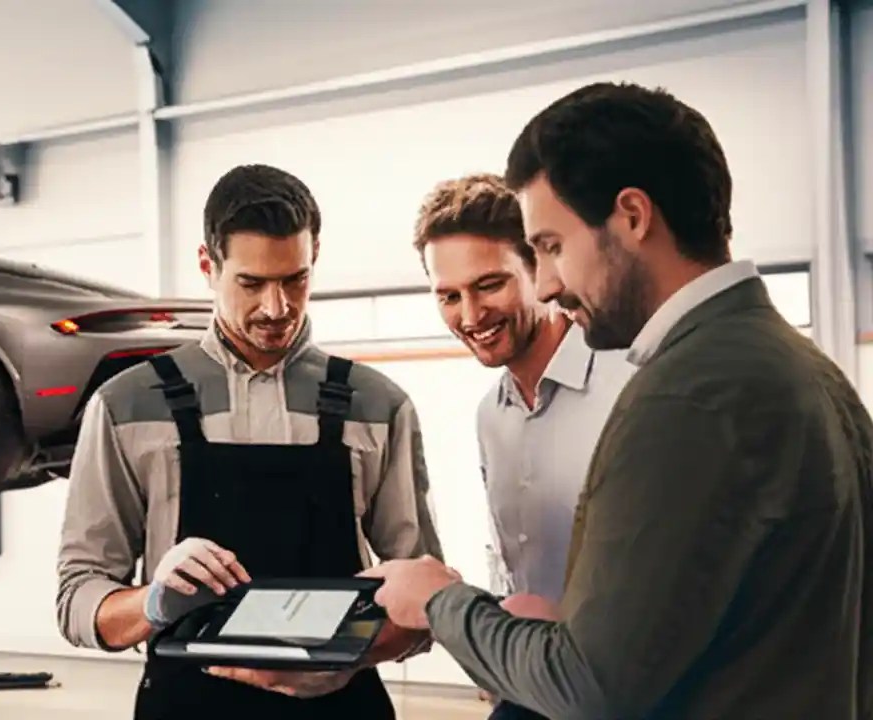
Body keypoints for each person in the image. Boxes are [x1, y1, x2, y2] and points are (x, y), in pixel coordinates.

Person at [366, 81, 872, 719]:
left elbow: (592, 686)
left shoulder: (686, 395)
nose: (547, 282)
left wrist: (440, 601)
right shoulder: (795, 365)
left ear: (633, 216)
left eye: (550, 247)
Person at [56, 163, 444, 719]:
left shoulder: (378, 406)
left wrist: (342, 665)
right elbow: (78, 601)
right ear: (207, 266)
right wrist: (156, 601)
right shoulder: (126, 407)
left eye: (295, 279)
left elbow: (426, 600)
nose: (276, 307)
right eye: (252, 283)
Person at [410, 173, 635, 719]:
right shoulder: (492, 415)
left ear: (538, 268)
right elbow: (510, 558)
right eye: (448, 296)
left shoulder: (629, 383)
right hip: (532, 683)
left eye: (490, 285)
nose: (469, 316)